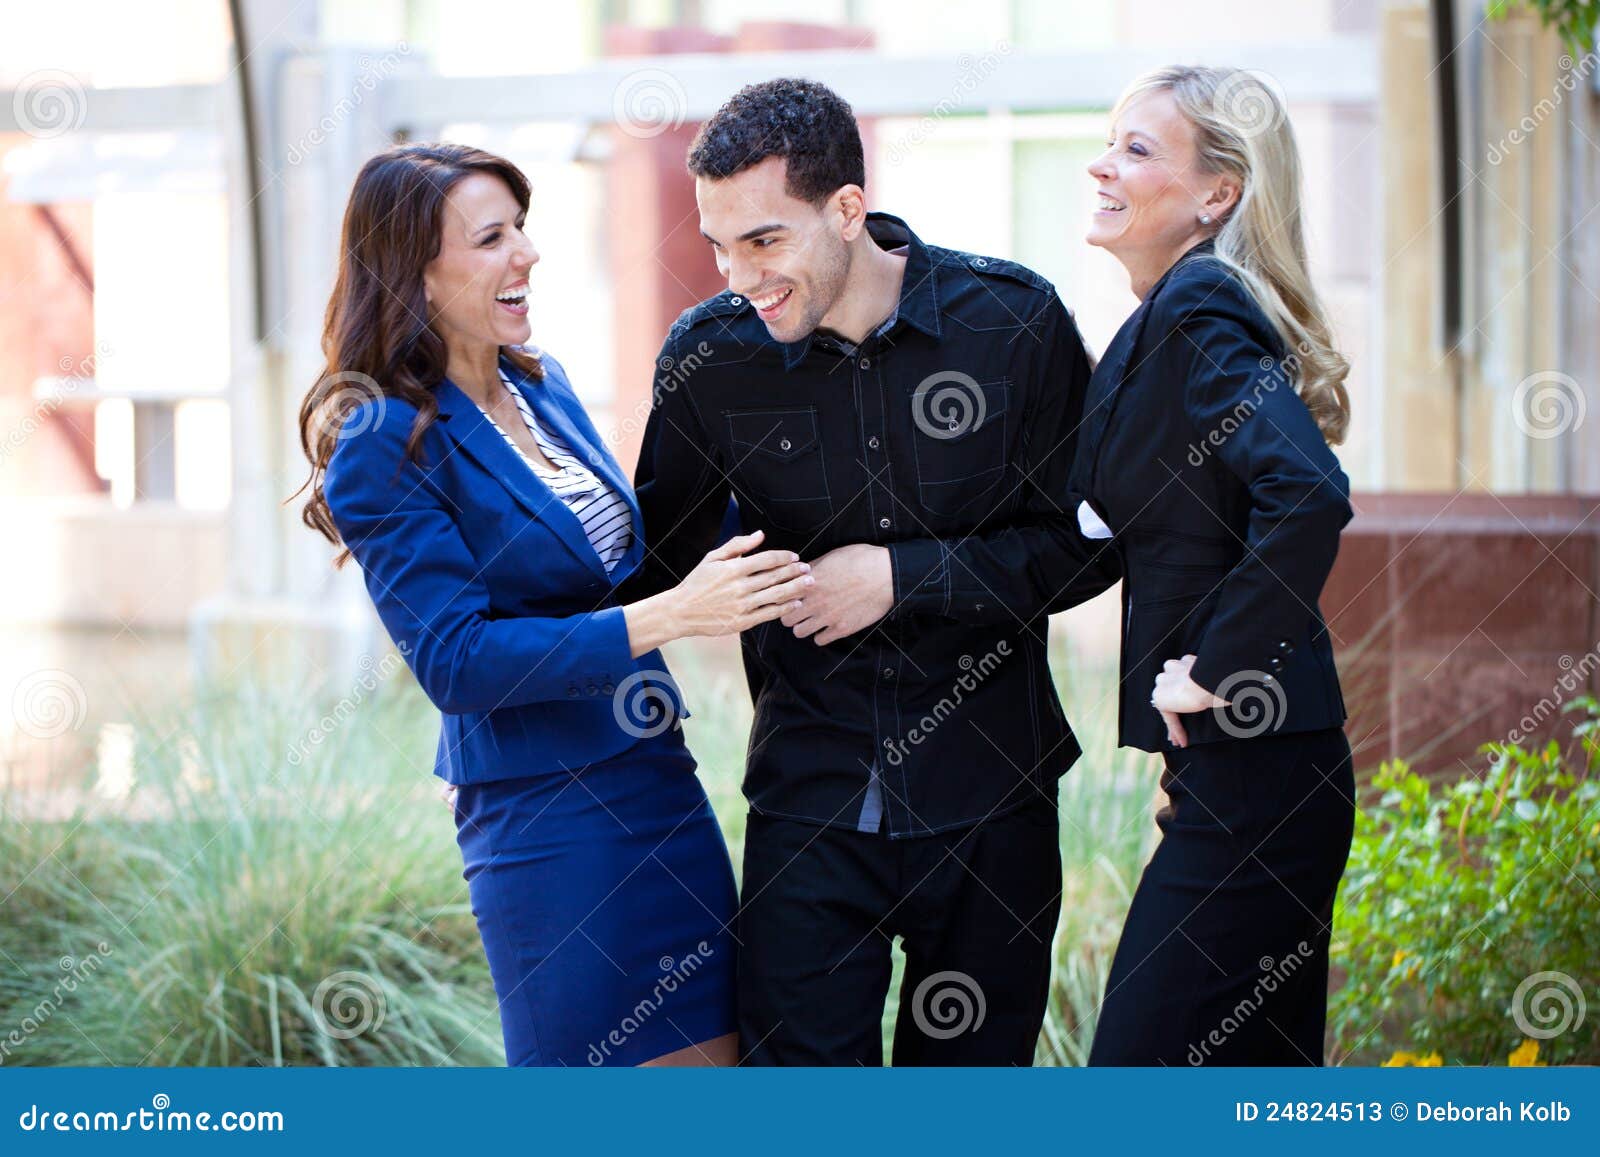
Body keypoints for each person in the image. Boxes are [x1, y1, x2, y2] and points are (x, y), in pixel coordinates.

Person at [620, 79, 1120, 1066]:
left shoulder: (1011, 324)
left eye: (764, 241)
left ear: (848, 208)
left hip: (992, 801)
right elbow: (648, 564)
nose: (737, 275)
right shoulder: (710, 358)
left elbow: (1091, 541)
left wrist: (903, 576)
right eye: (719, 246)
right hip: (809, 805)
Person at [294, 144, 813, 1067]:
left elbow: (632, 552)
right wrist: (673, 617)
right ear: (412, 271)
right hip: (549, 823)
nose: (526, 254)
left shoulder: (541, 383)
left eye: (521, 229)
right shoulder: (381, 437)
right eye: (492, 238)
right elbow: (458, 663)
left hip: (656, 783)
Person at [1069, 66, 1357, 1065]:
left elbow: (1308, 492)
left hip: (1259, 775)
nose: (1102, 165)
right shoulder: (1170, 317)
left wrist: (1214, 671)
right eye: (1111, 141)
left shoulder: (1197, 310)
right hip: (1247, 771)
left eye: (1137, 149)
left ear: (1216, 194)